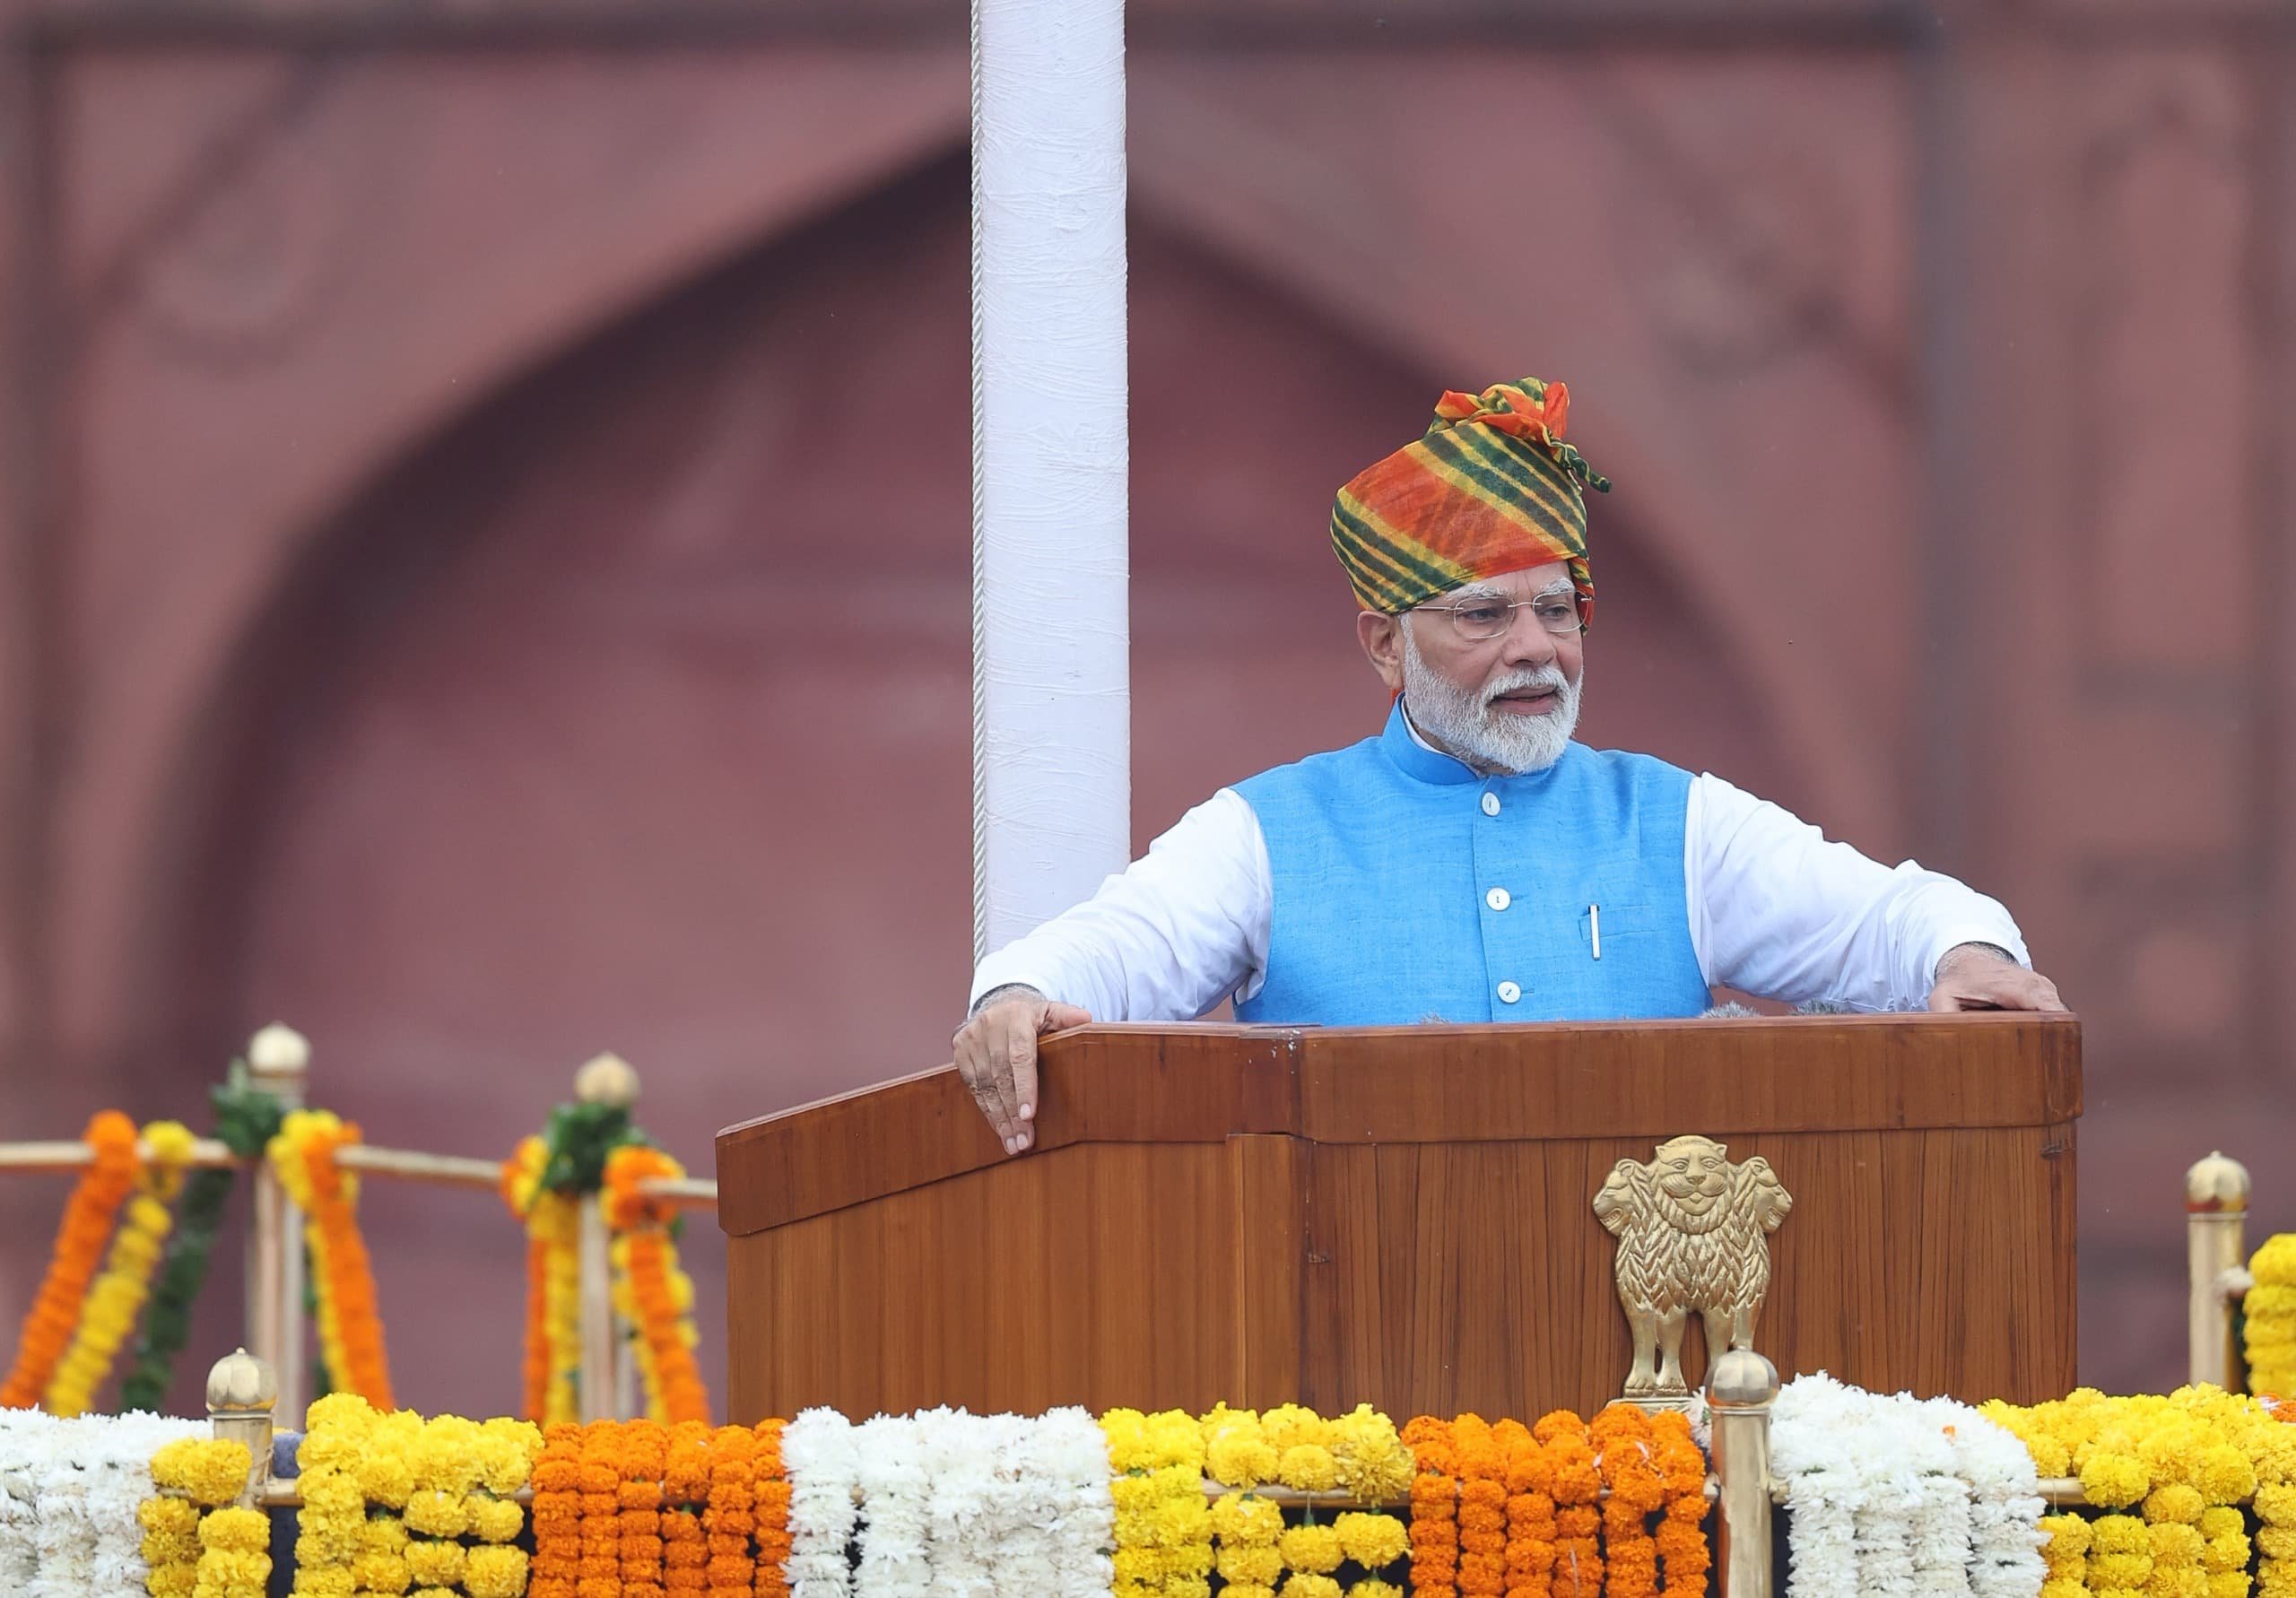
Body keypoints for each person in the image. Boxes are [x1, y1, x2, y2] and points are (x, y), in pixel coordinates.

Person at [955, 376, 2064, 1153]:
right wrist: (1018, 995)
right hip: (1355, 1356)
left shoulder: (1672, 820)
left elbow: (1892, 920)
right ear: (1384, 645)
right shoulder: (1267, 833)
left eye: (1557, 610)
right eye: (1484, 615)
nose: (1536, 648)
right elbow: (1111, 950)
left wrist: (1965, 951)